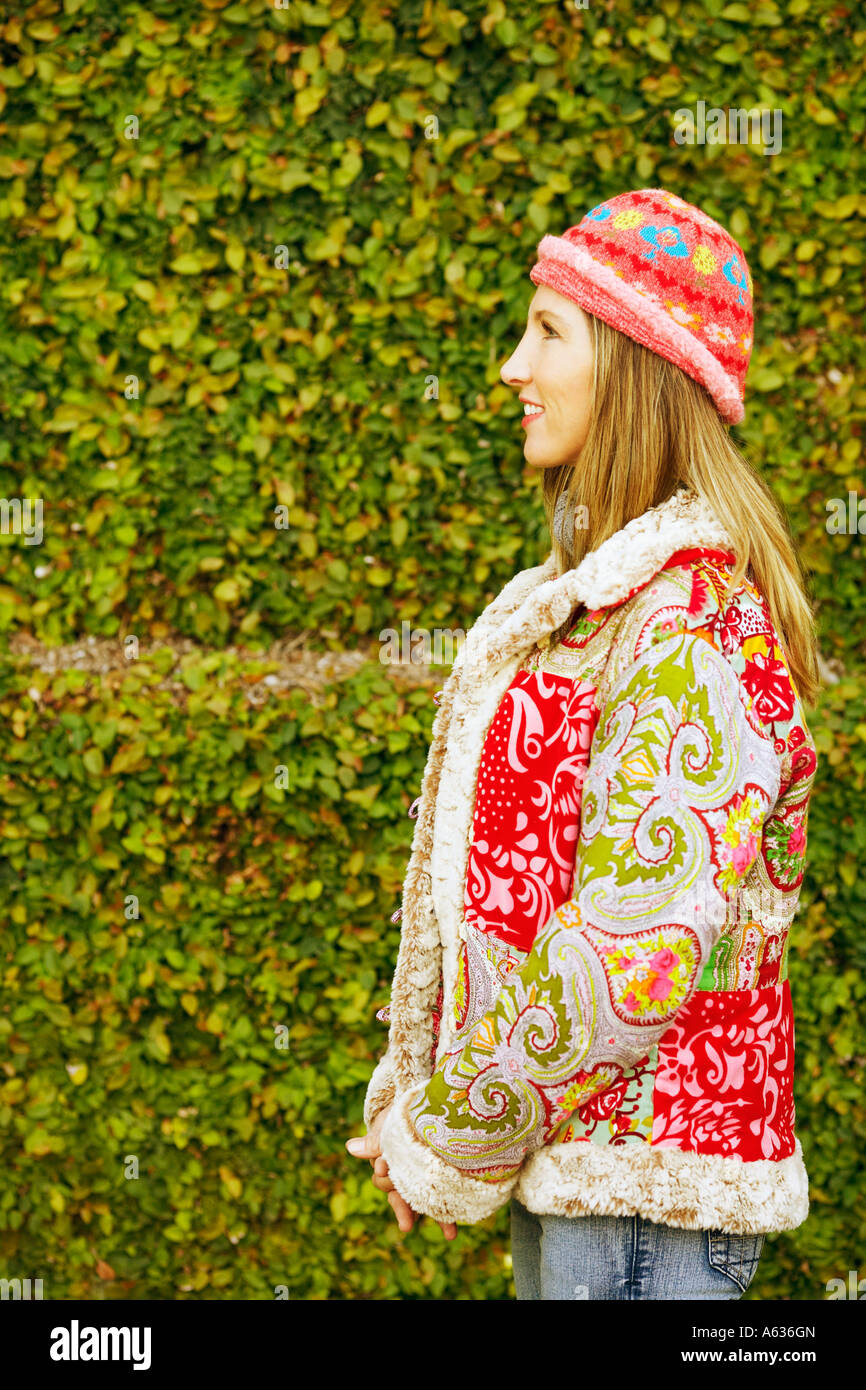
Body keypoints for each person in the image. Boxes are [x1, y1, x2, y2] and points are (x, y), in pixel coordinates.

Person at [345, 188, 820, 1300]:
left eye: (548, 331)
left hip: (640, 1208)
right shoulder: (598, 604)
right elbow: (512, 907)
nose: (513, 365)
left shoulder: (691, 624)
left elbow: (628, 951)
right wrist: (425, 1097)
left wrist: (451, 1134)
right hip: (580, 1184)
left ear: (639, 368)